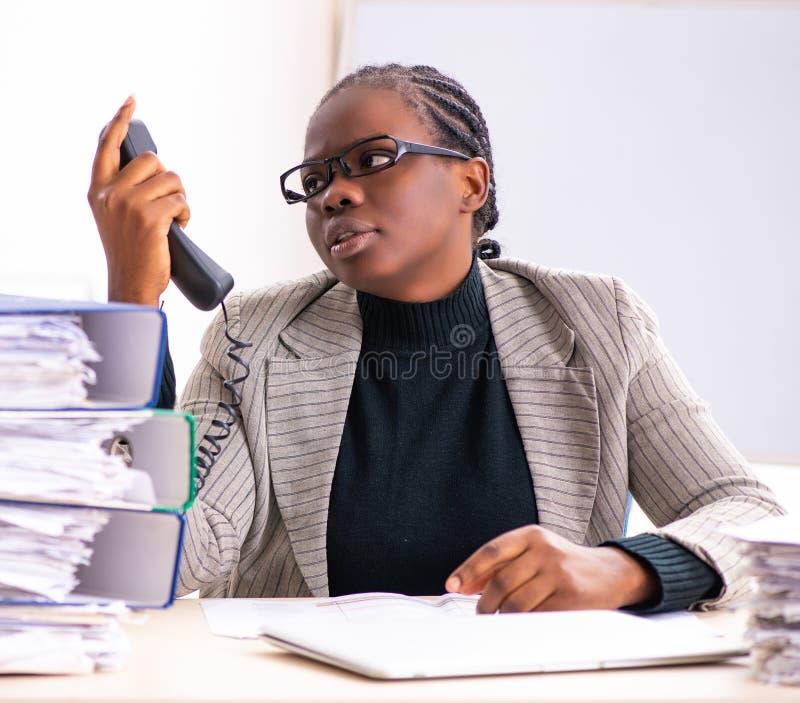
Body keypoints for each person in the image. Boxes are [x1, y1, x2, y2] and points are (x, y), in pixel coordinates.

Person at [88, 64, 783, 614]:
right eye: (316, 178)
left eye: (372, 159)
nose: (334, 194)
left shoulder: (596, 320)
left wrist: (625, 567)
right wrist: (132, 307)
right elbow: (163, 553)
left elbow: (750, 517)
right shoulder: (256, 335)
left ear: (471, 183)